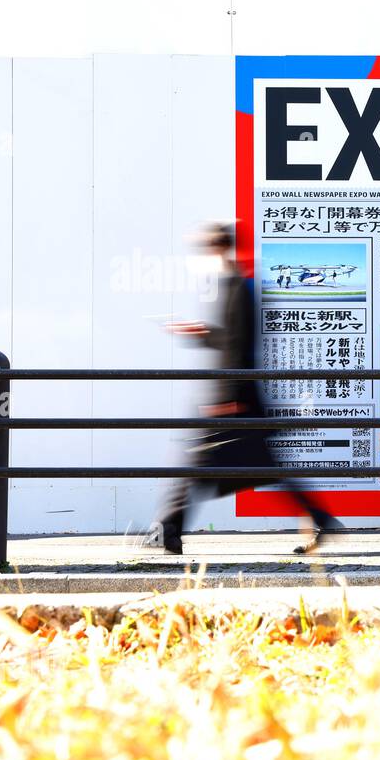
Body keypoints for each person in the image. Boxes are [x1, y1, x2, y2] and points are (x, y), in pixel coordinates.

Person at [146, 223, 341, 556]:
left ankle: (169, 530)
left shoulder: (238, 285)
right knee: (255, 467)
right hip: (236, 396)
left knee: (195, 464)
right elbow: (232, 340)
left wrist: (228, 397)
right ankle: (169, 530)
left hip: (233, 398)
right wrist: (203, 332)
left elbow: (239, 345)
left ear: (216, 249)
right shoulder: (234, 283)